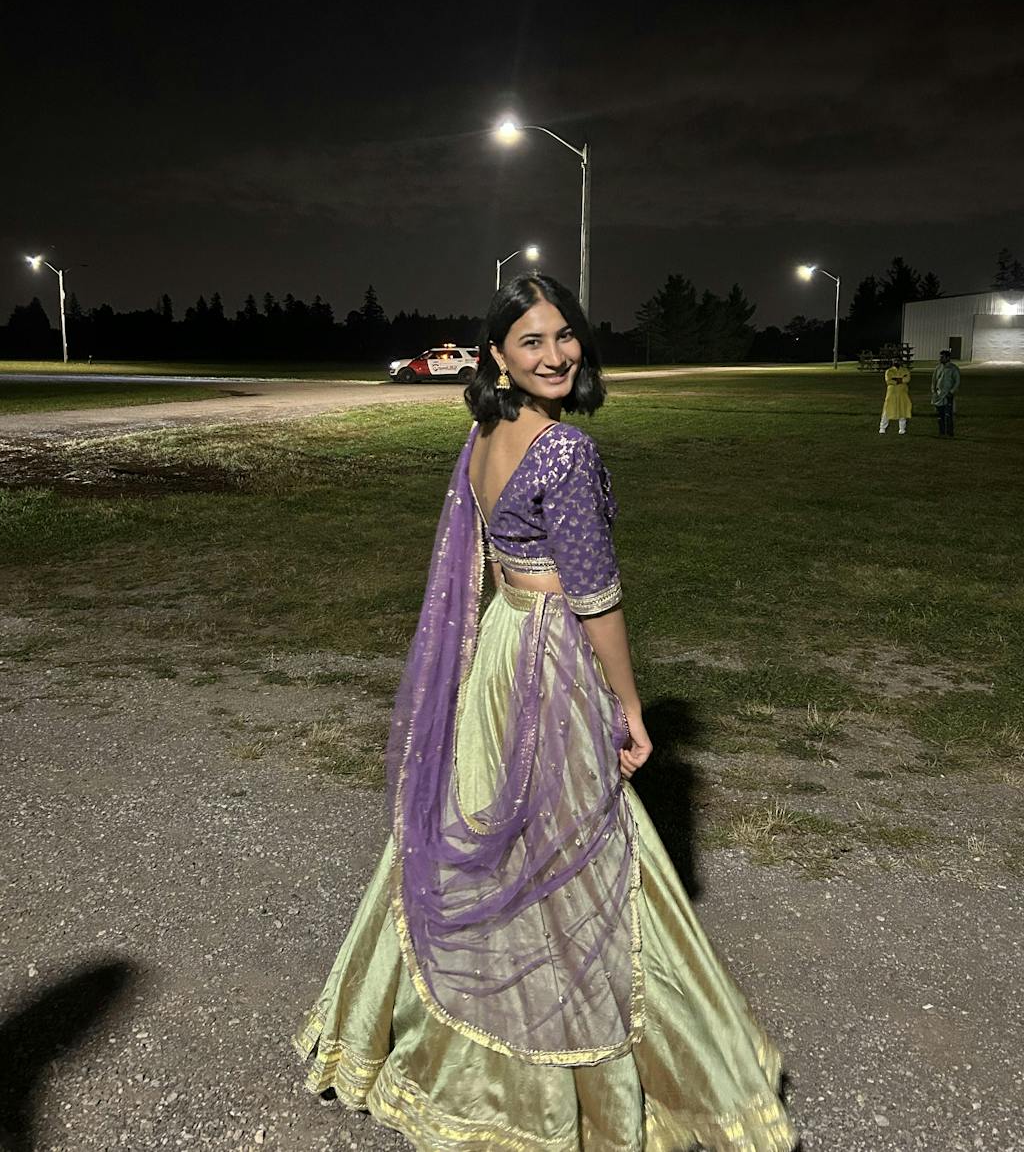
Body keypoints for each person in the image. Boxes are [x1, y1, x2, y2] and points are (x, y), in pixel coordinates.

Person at [292, 274, 797, 1152]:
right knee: (578, 843)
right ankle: (580, 1073)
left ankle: (409, 1034)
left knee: (495, 834)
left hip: (499, 649)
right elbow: (596, 595)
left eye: (564, 335)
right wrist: (631, 707)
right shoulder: (562, 451)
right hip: (549, 651)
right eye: (532, 341)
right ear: (497, 354)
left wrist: (505, 644)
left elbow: (493, 565)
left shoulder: (485, 430)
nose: (556, 354)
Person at [931, 349, 961, 437]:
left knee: (948, 414)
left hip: (948, 395)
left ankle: (950, 432)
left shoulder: (953, 368)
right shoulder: (938, 368)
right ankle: (941, 431)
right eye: (940, 357)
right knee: (940, 415)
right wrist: (934, 391)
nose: (940, 359)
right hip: (939, 395)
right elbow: (934, 380)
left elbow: (957, 381)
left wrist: (951, 391)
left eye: (942, 357)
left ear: (948, 358)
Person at [879, 357, 912, 434]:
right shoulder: (889, 371)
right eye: (894, 360)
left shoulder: (905, 370)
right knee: (887, 409)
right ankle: (882, 428)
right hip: (891, 393)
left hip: (902, 393)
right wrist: (901, 379)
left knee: (902, 410)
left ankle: (902, 429)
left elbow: (907, 379)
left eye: (897, 360)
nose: (896, 361)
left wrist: (895, 379)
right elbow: (889, 381)